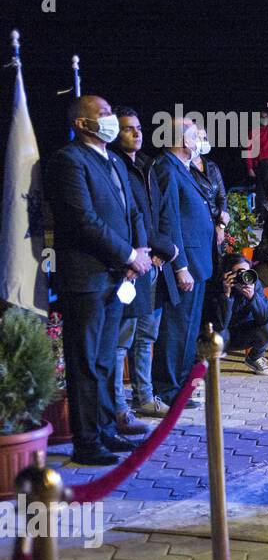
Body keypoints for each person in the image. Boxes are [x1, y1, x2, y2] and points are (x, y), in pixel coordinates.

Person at [47, 96, 154, 466]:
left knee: (106, 361)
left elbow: (133, 212)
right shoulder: (68, 160)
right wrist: (127, 255)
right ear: (81, 123)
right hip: (87, 278)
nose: (110, 120)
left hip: (116, 275)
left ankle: (107, 429)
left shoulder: (115, 161)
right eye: (104, 114)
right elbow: (83, 220)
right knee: (87, 361)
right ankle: (87, 441)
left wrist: (138, 253)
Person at [108, 107, 175, 430]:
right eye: (128, 129)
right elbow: (124, 218)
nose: (136, 133)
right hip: (131, 266)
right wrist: (142, 253)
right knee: (122, 339)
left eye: (138, 128)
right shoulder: (113, 165)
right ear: (114, 133)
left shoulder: (148, 165)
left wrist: (161, 252)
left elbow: (160, 214)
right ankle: (118, 405)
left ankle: (145, 397)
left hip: (153, 263)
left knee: (147, 335)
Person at [153, 116, 217, 410]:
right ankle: (168, 389)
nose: (201, 140)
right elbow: (170, 221)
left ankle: (181, 386)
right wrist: (180, 266)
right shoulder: (167, 168)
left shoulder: (184, 167)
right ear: (183, 139)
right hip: (185, 263)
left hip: (198, 261)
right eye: (197, 136)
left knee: (188, 329)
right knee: (176, 330)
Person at [211, 253, 268, 375]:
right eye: (238, 273)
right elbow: (220, 324)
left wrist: (252, 297)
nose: (244, 277)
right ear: (227, 274)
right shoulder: (216, 286)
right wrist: (226, 295)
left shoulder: (254, 284)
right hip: (221, 336)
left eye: (246, 272)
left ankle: (254, 358)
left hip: (243, 333)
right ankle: (209, 362)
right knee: (219, 332)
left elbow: (267, 317)